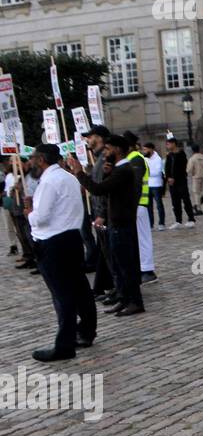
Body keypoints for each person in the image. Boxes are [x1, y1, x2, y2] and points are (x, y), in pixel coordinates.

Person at [25, 144, 97, 361]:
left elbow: (42, 217)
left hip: (53, 242)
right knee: (80, 288)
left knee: (62, 294)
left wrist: (29, 213)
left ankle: (65, 345)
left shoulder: (48, 181)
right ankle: (86, 331)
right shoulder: (68, 177)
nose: (30, 163)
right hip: (71, 238)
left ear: (41, 159)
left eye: (33, 158)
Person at [68, 133, 145, 317]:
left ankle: (135, 301)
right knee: (117, 265)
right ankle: (124, 299)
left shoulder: (124, 170)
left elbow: (98, 189)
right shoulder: (117, 170)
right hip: (115, 223)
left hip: (122, 224)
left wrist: (79, 172)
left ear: (118, 150)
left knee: (126, 266)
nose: (106, 152)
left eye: (109, 149)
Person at [81, 126, 116, 300]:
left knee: (111, 253)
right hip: (98, 212)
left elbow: (103, 190)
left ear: (99, 138)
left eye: (91, 136)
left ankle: (118, 289)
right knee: (105, 252)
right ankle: (108, 286)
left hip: (105, 215)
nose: (88, 139)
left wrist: (101, 213)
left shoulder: (105, 159)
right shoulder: (97, 159)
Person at [123, 133, 158, 284]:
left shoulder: (136, 158)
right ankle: (142, 268)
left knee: (143, 239)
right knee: (137, 239)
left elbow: (136, 184)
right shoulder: (131, 159)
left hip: (138, 204)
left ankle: (147, 270)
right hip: (135, 205)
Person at [164, 138, 196, 228]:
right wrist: (168, 178)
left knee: (186, 199)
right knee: (175, 201)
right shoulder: (169, 155)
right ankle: (178, 220)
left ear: (174, 144)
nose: (167, 145)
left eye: (169, 144)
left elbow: (182, 168)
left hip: (181, 181)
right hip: (171, 183)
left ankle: (191, 219)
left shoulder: (181, 154)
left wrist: (174, 178)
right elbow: (167, 168)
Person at [143, 141, 166, 231]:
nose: (144, 151)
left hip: (156, 185)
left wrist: (147, 173)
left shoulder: (158, 159)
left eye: (145, 149)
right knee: (148, 206)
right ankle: (150, 224)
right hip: (147, 185)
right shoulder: (144, 159)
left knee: (159, 205)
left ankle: (161, 223)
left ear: (151, 149)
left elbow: (157, 172)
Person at [186, 142, 203, 215]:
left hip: (196, 177)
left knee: (197, 193)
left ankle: (198, 209)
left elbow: (189, 169)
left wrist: (192, 173)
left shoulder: (192, 158)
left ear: (192, 150)